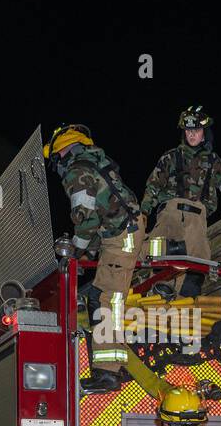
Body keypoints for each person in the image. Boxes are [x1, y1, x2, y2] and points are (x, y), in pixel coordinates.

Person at [44, 123, 145, 392]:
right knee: (99, 296)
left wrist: (73, 253)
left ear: (60, 153)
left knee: (105, 301)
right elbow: (101, 216)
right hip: (120, 234)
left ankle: (108, 374)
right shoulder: (92, 163)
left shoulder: (77, 172)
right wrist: (87, 251)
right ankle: (114, 368)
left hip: (121, 237)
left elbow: (86, 221)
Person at [140, 105, 221, 297]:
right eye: (188, 131)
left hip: (197, 220)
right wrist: (144, 212)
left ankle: (185, 304)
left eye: (196, 131)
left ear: (204, 133)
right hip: (170, 216)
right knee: (160, 259)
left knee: (197, 265)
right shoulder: (171, 157)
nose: (192, 135)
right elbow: (153, 187)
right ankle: (156, 297)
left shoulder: (214, 161)